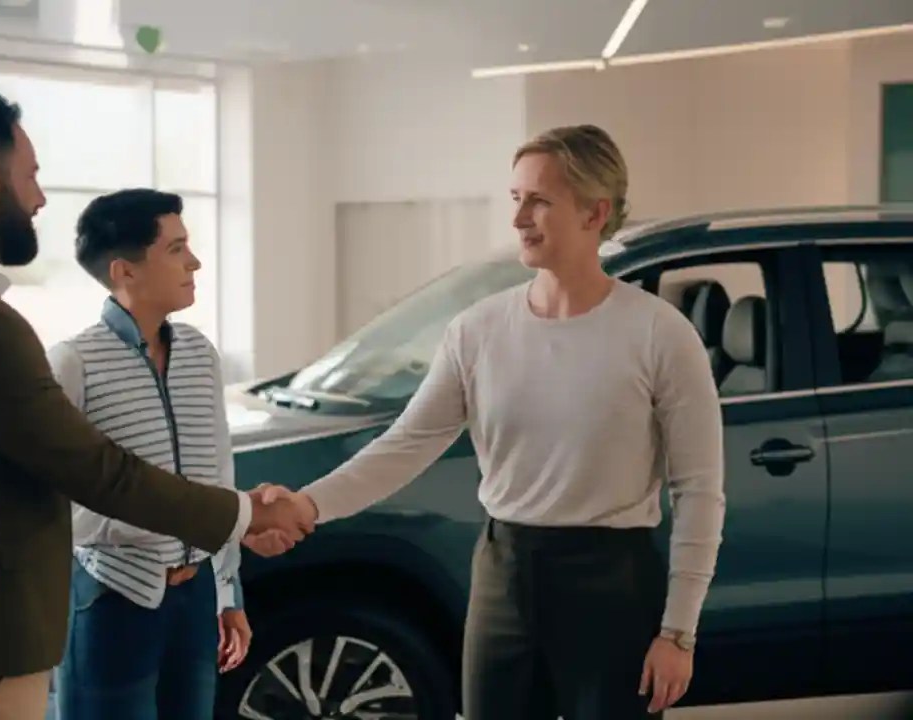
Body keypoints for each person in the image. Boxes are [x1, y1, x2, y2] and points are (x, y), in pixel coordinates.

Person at [0, 85, 310, 720]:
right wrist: (243, 514)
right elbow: (97, 473)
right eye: (30, 176)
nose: (38, 198)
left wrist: (222, 570)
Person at [253, 125, 725, 719]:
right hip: (503, 573)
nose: (520, 217)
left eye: (539, 200)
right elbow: (407, 443)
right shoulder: (477, 330)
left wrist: (678, 632)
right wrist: (306, 506)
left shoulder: (660, 335)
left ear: (594, 212)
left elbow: (700, 492)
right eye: (515, 199)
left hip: (613, 584)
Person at [44, 189, 252, 719]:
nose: (194, 262)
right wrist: (149, 528)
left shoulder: (201, 356)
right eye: (176, 248)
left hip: (195, 599)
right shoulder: (74, 363)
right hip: (111, 599)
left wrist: (227, 592)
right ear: (124, 271)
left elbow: (219, 476)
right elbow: (51, 503)